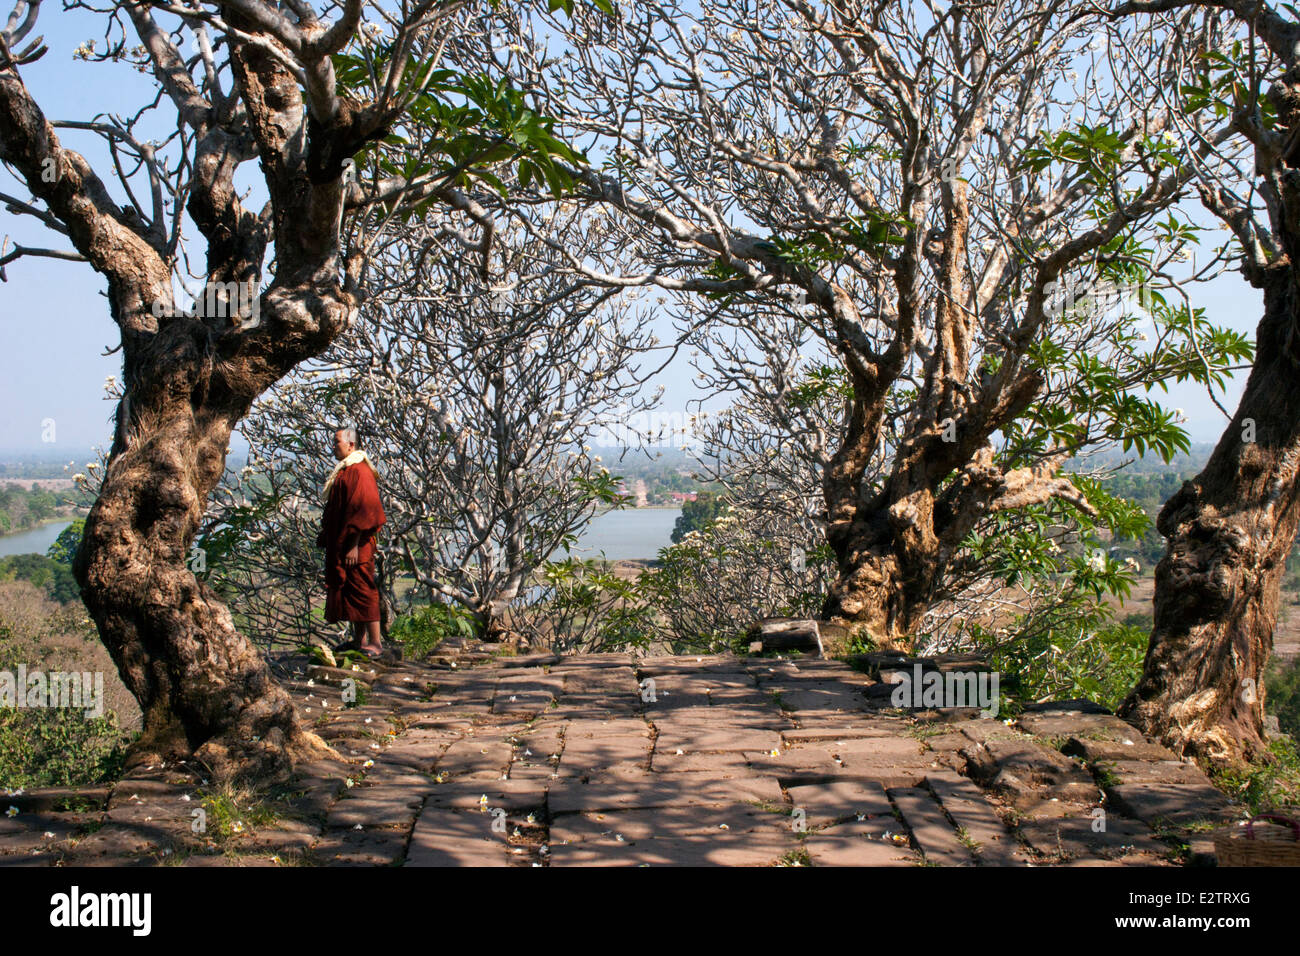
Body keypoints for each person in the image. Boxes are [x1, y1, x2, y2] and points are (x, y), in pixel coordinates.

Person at [316, 426, 388, 659]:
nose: (333, 447)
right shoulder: (346, 470)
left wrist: (353, 544)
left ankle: (376, 643)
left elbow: (364, 511)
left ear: (351, 445)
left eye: (337, 442)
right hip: (344, 544)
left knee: (363, 589)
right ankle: (360, 641)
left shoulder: (360, 472)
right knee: (350, 591)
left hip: (357, 547)